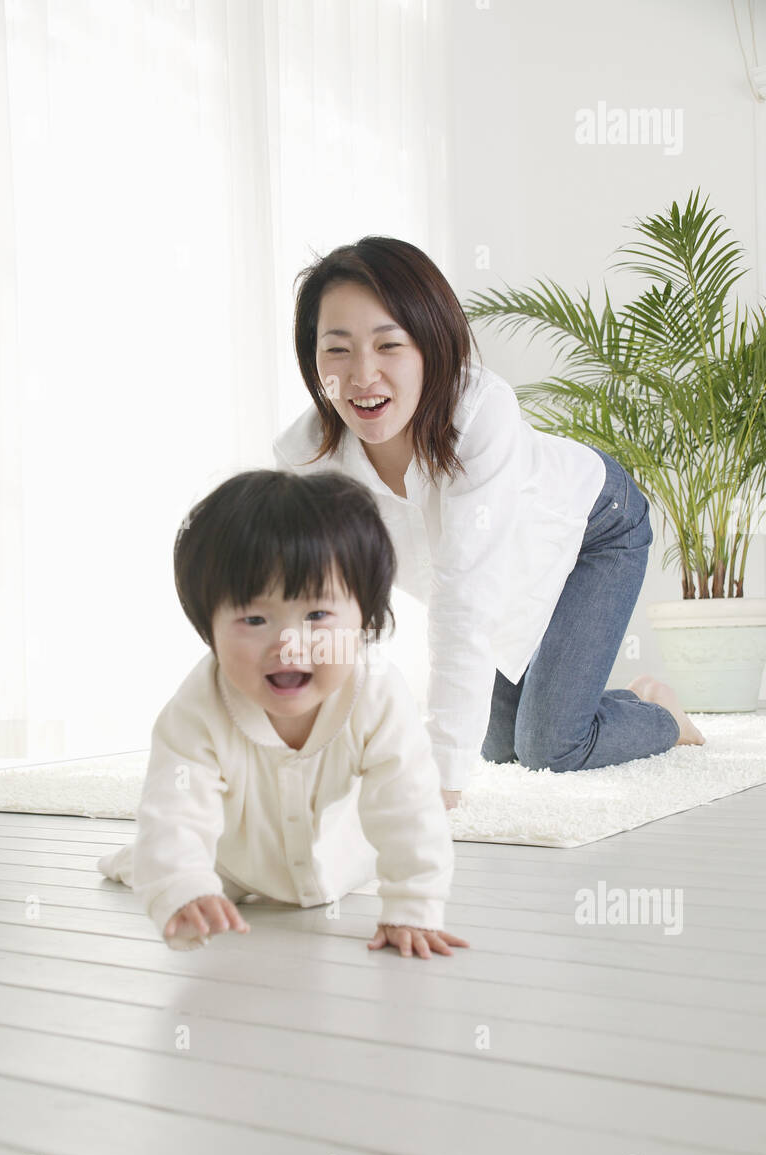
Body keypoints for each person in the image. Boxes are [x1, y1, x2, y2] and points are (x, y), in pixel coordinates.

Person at [273, 235, 704, 811]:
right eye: (338, 349)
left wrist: (441, 786)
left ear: (430, 343)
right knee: (500, 745)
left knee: (551, 746)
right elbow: (321, 609)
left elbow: (465, 598)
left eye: (388, 344)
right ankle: (600, 698)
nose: (363, 375)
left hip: (596, 528)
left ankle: (664, 718)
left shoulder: (478, 414)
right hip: (508, 568)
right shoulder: (307, 459)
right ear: (312, 358)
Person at [96, 469, 466, 961]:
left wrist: (413, 907)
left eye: (317, 616)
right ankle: (140, 862)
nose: (289, 644)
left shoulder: (376, 693)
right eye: (253, 619)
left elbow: (410, 807)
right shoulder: (198, 708)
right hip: (232, 861)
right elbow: (175, 810)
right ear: (208, 625)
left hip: (344, 863)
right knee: (164, 859)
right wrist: (181, 887)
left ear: (366, 617)